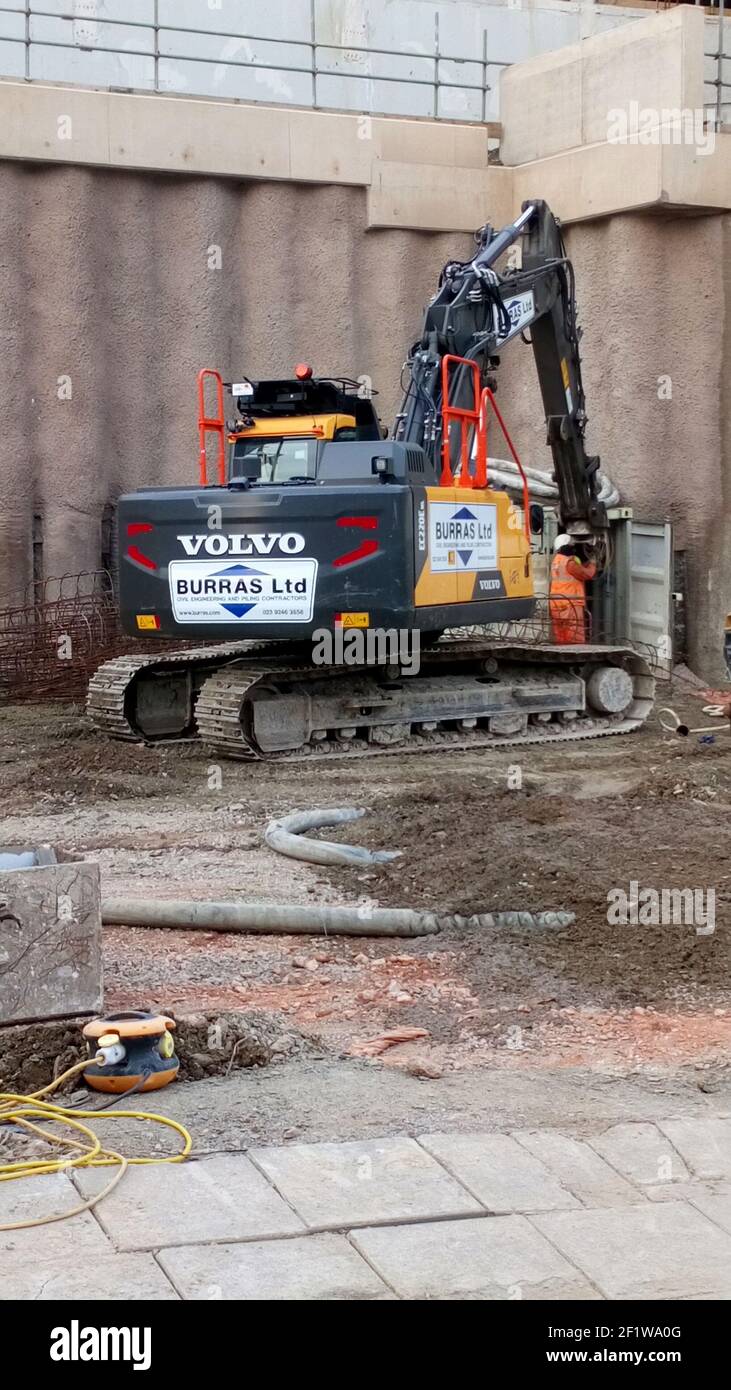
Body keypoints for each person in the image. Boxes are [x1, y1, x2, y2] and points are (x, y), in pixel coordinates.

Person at [549, 533, 596, 644]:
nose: (573, 548)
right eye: (571, 545)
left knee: (561, 636)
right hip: (571, 604)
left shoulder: (556, 560)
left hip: (557, 604)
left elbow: (575, 572)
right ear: (565, 546)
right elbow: (587, 574)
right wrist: (593, 563)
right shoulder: (569, 563)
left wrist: (585, 564)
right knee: (575, 637)